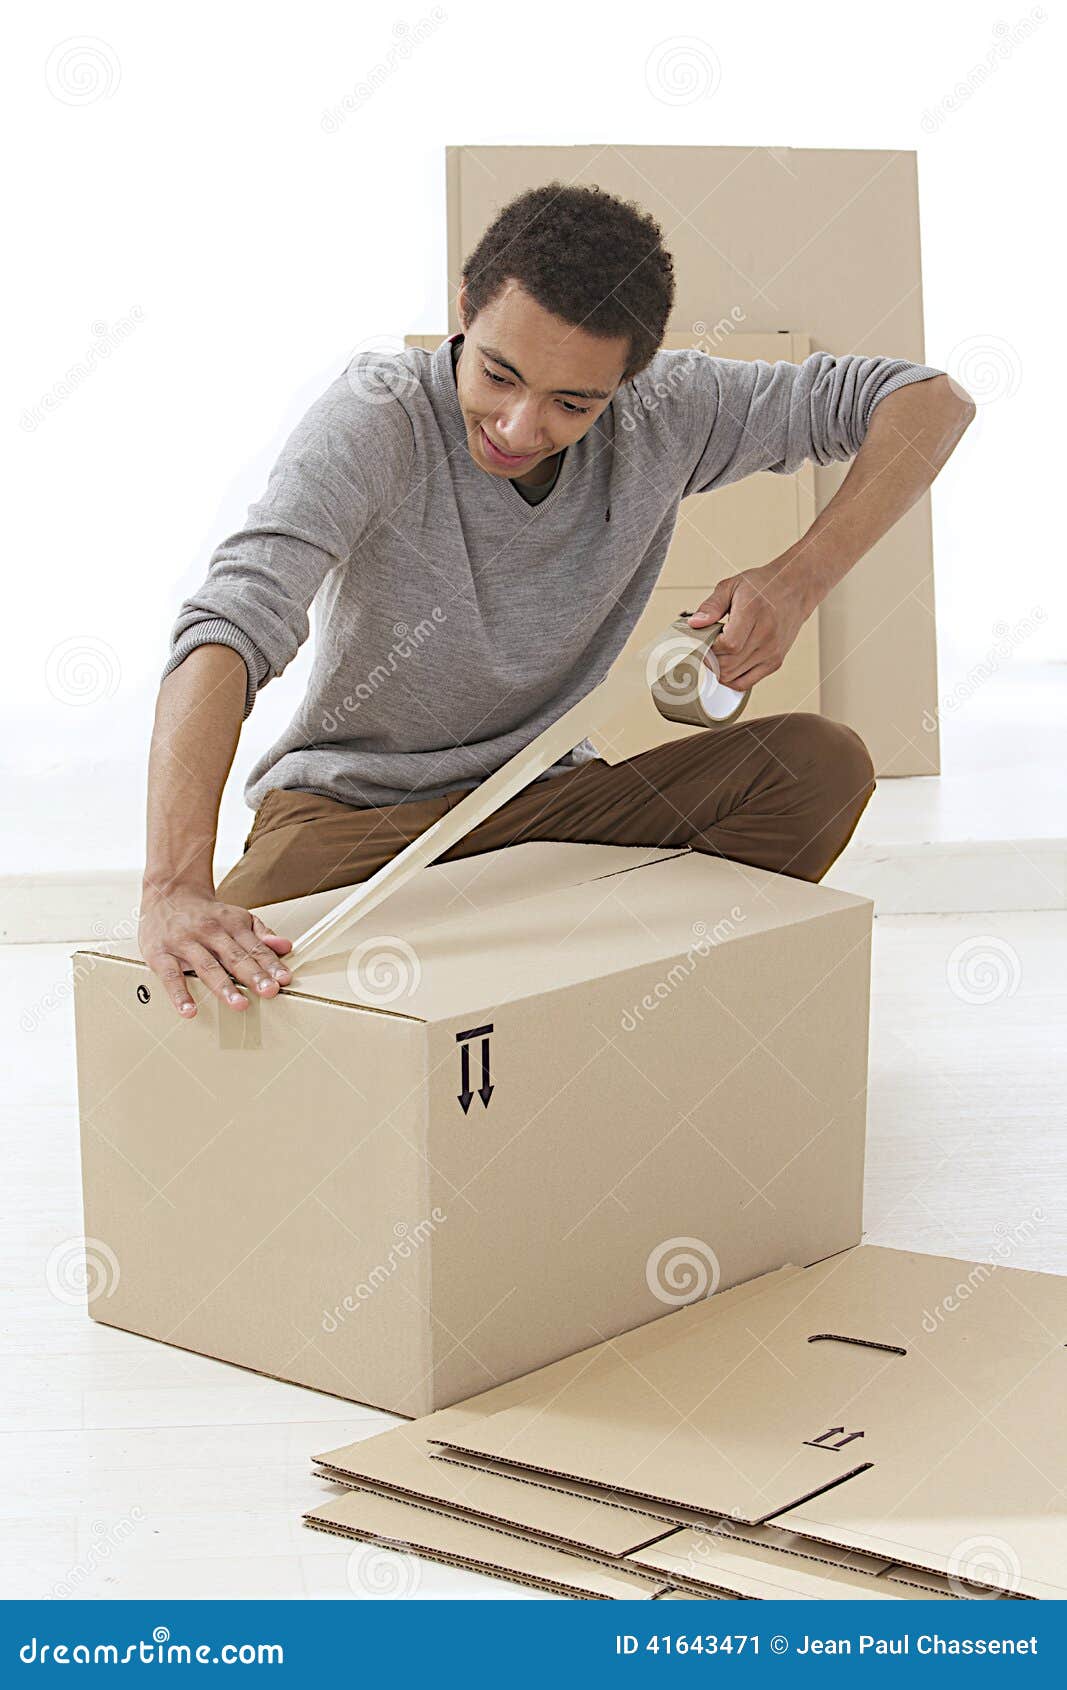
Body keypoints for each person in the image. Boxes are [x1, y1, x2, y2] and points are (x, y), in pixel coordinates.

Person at [138, 182, 975, 1019]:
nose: (517, 425)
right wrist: (175, 885)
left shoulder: (667, 411)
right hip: (354, 815)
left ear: (628, 378)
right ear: (466, 308)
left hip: (546, 807)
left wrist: (798, 579)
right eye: (498, 374)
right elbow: (233, 622)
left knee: (816, 764)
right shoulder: (377, 416)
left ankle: (608, 999)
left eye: (573, 403)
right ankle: (552, 976)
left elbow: (930, 401)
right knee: (229, 992)